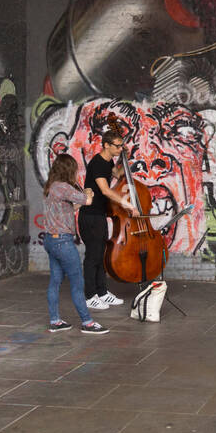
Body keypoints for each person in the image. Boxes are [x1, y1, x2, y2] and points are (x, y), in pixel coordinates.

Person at [41, 153, 108, 335]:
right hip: (63, 242)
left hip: (50, 240)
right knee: (77, 283)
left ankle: (55, 321)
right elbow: (87, 201)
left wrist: (84, 197)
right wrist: (88, 192)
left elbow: (71, 208)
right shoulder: (64, 187)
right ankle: (87, 323)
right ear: (69, 170)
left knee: (55, 281)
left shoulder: (52, 187)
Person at [79, 128, 134, 310]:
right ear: (106, 145)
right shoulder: (97, 163)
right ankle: (89, 295)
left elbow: (117, 175)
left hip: (99, 215)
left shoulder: (108, 160)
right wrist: (126, 204)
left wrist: (124, 159)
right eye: (117, 146)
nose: (120, 149)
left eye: (121, 146)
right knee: (92, 256)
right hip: (90, 216)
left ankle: (102, 292)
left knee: (99, 255)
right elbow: (105, 190)